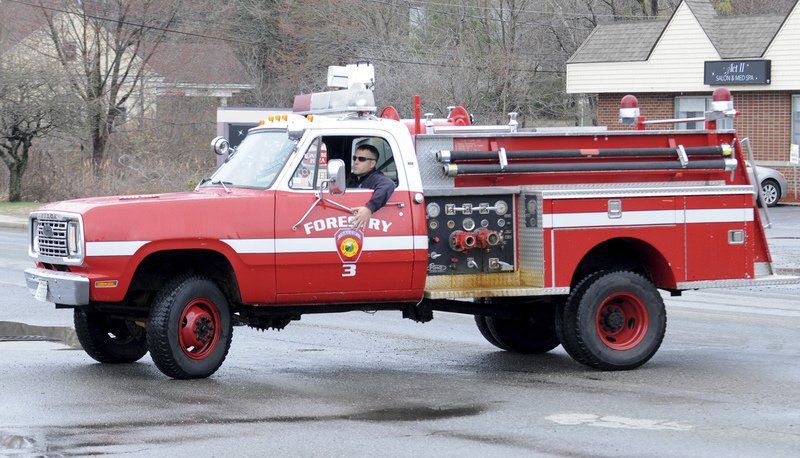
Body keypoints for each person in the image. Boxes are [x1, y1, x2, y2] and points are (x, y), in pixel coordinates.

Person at [347, 144, 396, 230]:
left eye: (361, 159)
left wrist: (369, 208)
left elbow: (388, 184)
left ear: (372, 164)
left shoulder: (376, 178)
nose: (356, 162)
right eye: (355, 158)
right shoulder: (352, 178)